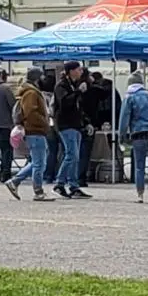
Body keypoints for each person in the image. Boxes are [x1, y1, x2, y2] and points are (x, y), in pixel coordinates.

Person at [3, 67, 54, 202]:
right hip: (35, 130)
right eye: (42, 76)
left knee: (38, 162)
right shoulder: (31, 93)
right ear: (37, 78)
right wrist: (44, 122)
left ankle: (15, 181)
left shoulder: (30, 91)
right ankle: (38, 191)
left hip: (35, 131)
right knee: (39, 164)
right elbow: (30, 112)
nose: (44, 79)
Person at [119, 71, 148, 204]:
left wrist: (122, 135)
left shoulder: (129, 97)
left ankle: (140, 195)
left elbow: (124, 118)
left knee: (139, 166)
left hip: (138, 134)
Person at [52, 61, 93, 199]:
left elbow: (78, 107)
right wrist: (78, 91)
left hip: (75, 124)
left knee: (74, 156)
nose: (81, 72)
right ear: (71, 71)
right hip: (65, 124)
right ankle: (60, 183)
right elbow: (65, 103)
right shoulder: (61, 86)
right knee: (72, 155)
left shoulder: (73, 85)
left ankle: (73, 185)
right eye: (78, 69)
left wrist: (86, 122)